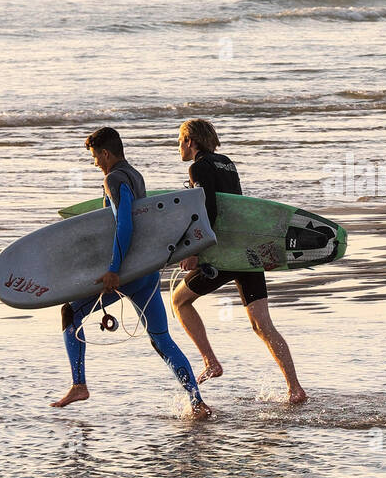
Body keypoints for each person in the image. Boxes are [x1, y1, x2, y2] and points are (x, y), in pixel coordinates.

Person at [53, 127, 212, 420]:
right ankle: (197, 402)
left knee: (70, 314)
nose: (95, 163)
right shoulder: (135, 174)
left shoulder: (113, 178)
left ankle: (78, 384)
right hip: (147, 270)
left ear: (105, 153)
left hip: (127, 272)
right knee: (161, 339)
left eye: (95, 157)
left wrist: (114, 270)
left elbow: (125, 224)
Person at [170, 119, 308, 404]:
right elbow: (239, 207)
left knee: (179, 301)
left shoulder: (197, 167)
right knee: (262, 325)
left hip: (224, 254)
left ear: (191, 141)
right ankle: (294, 388)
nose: (178, 146)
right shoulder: (227, 163)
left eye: (180, 140)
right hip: (248, 250)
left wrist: (196, 251)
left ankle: (211, 362)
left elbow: (210, 209)